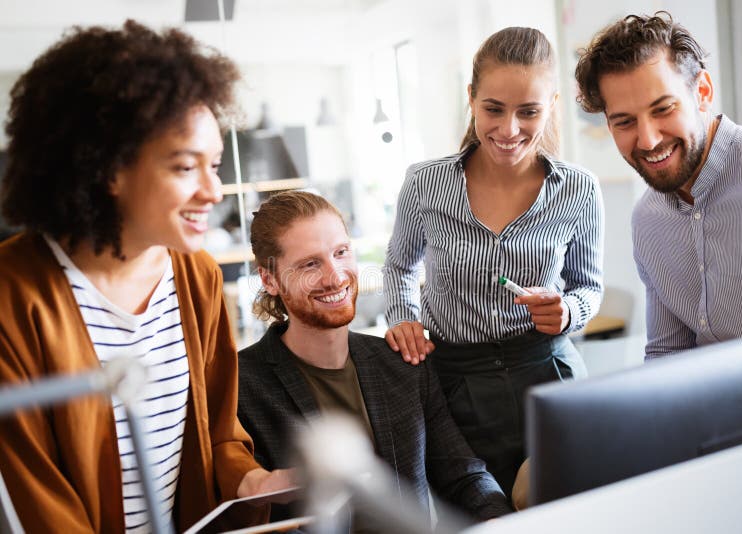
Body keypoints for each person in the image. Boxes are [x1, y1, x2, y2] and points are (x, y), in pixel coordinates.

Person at [0, 21, 291, 533]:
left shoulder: (196, 276)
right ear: (108, 169)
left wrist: (250, 479)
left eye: (214, 165)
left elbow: (218, 431)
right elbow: (35, 496)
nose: (213, 191)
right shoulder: (12, 293)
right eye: (184, 167)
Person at [382, 26, 605, 495]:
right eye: (494, 109)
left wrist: (569, 311)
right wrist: (403, 318)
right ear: (471, 98)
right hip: (455, 385)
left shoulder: (579, 189)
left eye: (529, 112)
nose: (509, 130)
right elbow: (400, 267)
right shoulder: (424, 183)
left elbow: (588, 286)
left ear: (552, 105)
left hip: (550, 376)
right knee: (478, 511)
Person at [237, 191, 513, 524]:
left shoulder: (403, 364)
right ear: (270, 279)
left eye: (341, 253)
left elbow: (464, 477)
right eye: (310, 264)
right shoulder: (242, 385)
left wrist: (502, 522)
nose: (336, 277)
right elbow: (262, 519)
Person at [574, 12, 742, 358]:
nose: (648, 140)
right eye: (625, 122)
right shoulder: (648, 219)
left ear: (703, 91)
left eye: (663, 109)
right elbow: (667, 354)